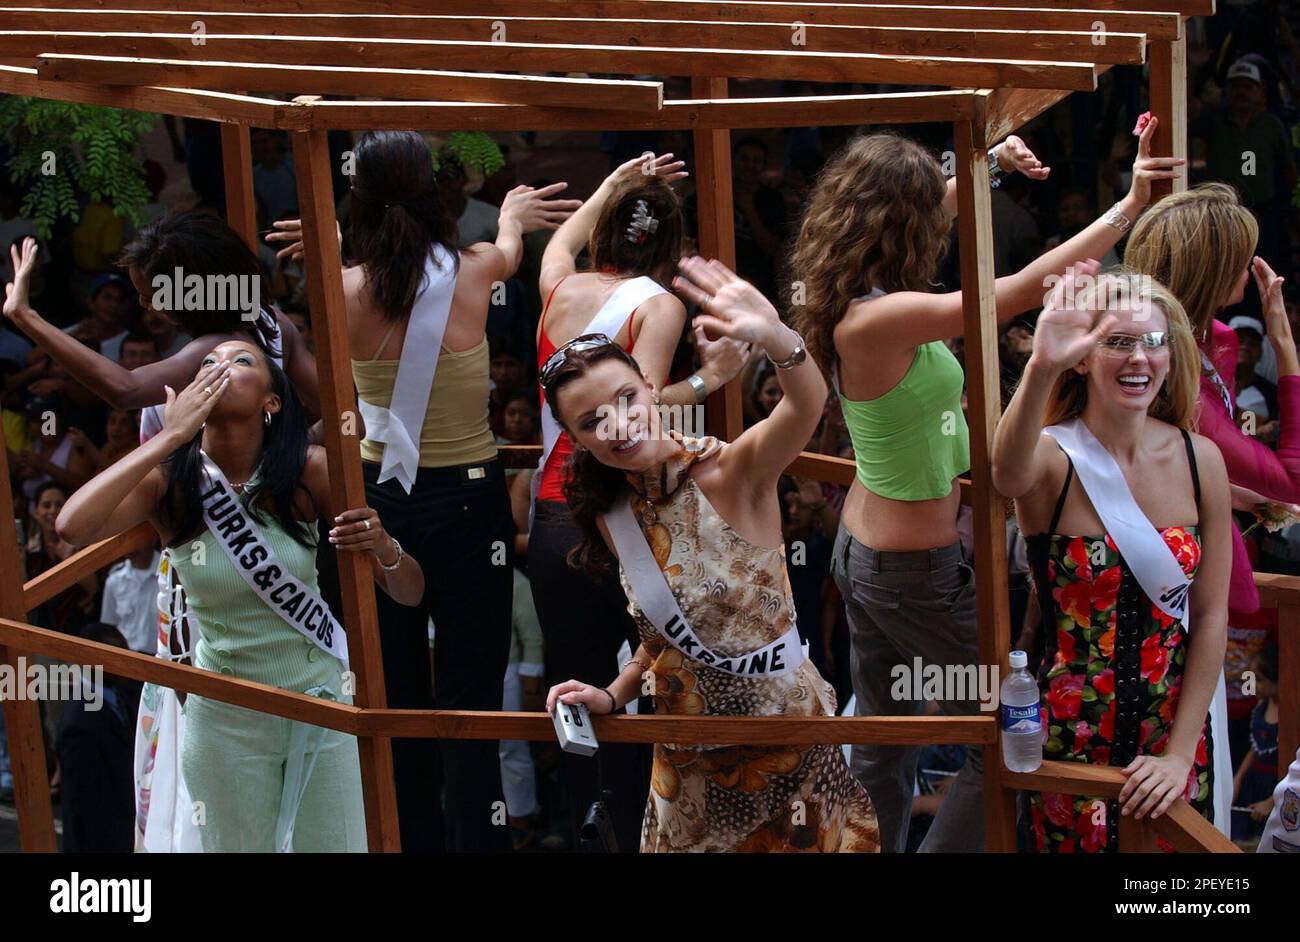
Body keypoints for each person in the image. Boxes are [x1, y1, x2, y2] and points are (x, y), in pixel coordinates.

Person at [790, 119, 1182, 853]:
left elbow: (931, 206)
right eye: (926, 216)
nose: (938, 229)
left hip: (871, 559)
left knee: (886, 740)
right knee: (1004, 734)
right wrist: (1126, 207)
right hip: (912, 576)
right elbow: (1020, 290)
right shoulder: (881, 317)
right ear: (896, 224)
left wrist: (988, 165)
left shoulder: (856, 291)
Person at [269, 129, 579, 852]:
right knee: (470, 697)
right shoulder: (475, 270)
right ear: (440, 198)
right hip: (471, 505)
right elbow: (505, 244)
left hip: (375, 502)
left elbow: (369, 261)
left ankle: (404, 839)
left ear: (358, 202)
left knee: (390, 693)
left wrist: (333, 236)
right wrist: (511, 210)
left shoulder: (334, 281)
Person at [544, 256, 880, 853]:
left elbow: (805, 406)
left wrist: (775, 336)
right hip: (688, 768)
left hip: (789, 754)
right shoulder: (612, 509)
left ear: (650, 388)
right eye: (592, 420)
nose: (617, 426)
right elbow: (659, 640)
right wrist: (613, 695)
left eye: (625, 398)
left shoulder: (730, 471)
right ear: (575, 438)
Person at [55, 341, 424, 851]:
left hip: (320, 705)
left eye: (241, 361)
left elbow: (409, 591)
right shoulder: (172, 484)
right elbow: (72, 526)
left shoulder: (307, 469)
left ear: (271, 403)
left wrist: (383, 546)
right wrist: (172, 437)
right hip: (224, 715)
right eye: (207, 364)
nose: (219, 368)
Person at [531, 152, 748, 851]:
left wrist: (612, 184)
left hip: (549, 508)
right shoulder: (661, 304)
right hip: (619, 514)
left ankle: (588, 828)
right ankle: (637, 828)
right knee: (645, 679)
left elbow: (563, 239)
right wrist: (709, 384)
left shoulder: (560, 286)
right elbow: (641, 410)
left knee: (575, 691)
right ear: (672, 245)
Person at [991, 264, 1230, 852]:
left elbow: (1213, 614)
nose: (1138, 359)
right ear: (1081, 357)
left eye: (1152, 342)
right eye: (1116, 342)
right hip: (1071, 742)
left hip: (1173, 741)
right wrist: (1040, 364)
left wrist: (1178, 755)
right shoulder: (1053, 459)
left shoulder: (1204, 461)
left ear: (1171, 358)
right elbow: (1005, 472)